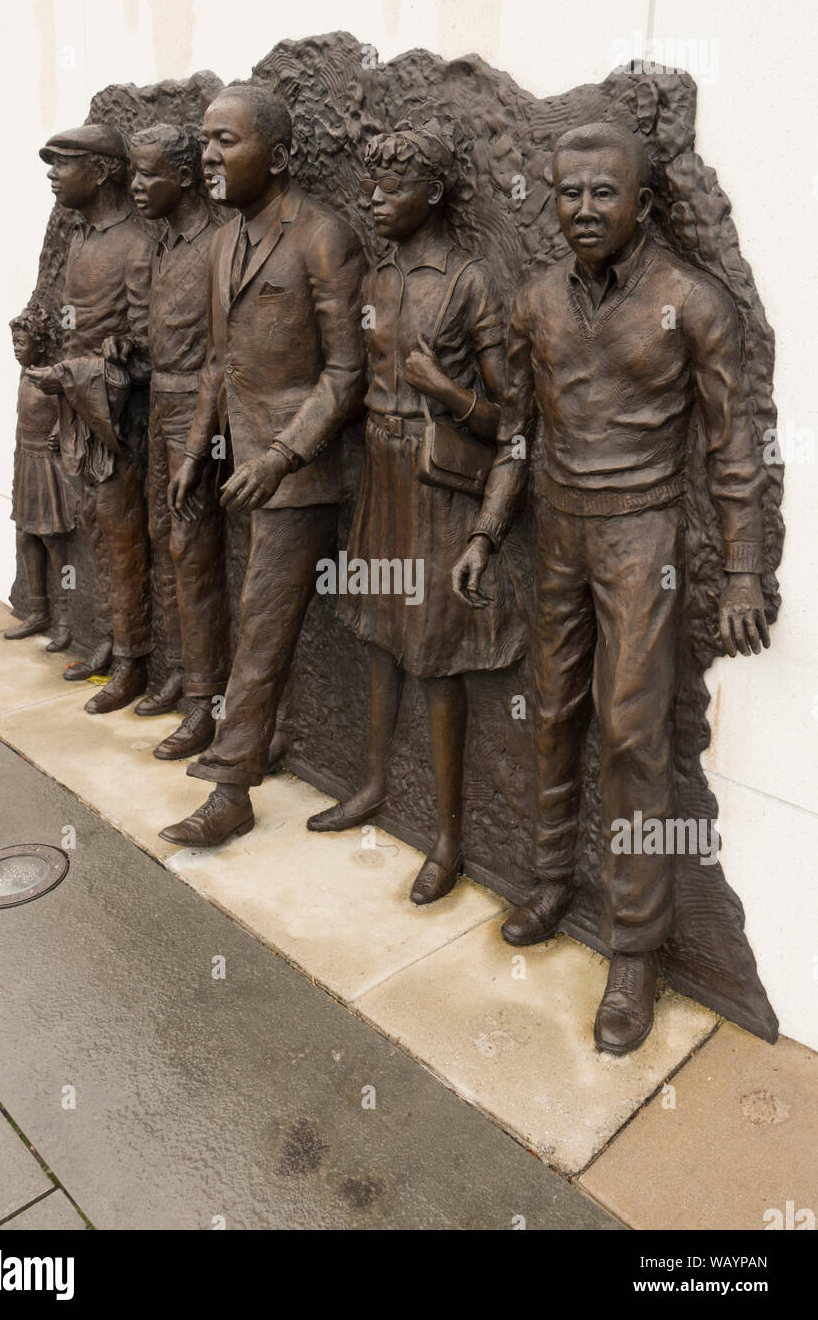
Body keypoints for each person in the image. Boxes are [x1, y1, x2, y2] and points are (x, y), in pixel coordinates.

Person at [453, 122, 769, 1053]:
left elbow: (735, 451)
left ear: (639, 201)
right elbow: (517, 432)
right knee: (551, 709)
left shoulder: (691, 301)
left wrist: (744, 568)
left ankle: (634, 949)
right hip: (556, 527)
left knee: (631, 732)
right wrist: (484, 529)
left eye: (603, 193)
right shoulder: (535, 301)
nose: (584, 209)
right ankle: (552, 879)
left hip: (643, 536)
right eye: (569, 193)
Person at [307, 122, 524, 905]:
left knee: (433, 658)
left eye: (390, 188)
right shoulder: (376, 279)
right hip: (383, 478)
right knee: (377, 637)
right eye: (368, 187)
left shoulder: (467, 282)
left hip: (438, 486)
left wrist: (445, 392)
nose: (373, 200)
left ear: (431, 194)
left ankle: (447, 839)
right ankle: (369, 786)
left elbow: (512, 421)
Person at [158, 85, 366, 846]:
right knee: (252, 613)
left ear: (276, 157)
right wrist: (195, 454)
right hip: (236, 460)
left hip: (297, 471)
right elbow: (218, 363)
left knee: (262, 628)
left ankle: (232, 787)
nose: (207, 156)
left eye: (225, 141)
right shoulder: (222, 243)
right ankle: (259, 738)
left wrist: (280, 458)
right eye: (203, 140)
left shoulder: (322, 237)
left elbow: (346, 373)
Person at [29, 124, 153, 713]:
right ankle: (107, 637)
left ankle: (133, 659)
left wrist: (79, 374)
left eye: (64, 162)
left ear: (102, 171)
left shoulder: (136, 242)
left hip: (117, 421)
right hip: (78, 411)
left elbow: (146, 346)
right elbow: (76, 323)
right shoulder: (80, 238)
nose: (53, 173)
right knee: (98, 536)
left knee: (124, 538)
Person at [129, 124, 227, 758]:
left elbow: (221, 356)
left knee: (194, 554)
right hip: (158, 402)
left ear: (185, 178)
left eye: (148, 175)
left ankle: (205, 703)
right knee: (164, 542)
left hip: (198, 413)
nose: (135, 186)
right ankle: (174, 670)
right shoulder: (162, 243)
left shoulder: (218, 245)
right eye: (132, 173)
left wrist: (196, 445)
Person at [4, 304, 74, 651]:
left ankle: (63, 618)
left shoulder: (52, 377)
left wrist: (61, 429)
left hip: (48, 465)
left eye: (22, 342)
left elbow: (74, 406)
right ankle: (37, 610)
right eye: (14, 342)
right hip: (26, 462)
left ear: (40, 344)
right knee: (25, 536)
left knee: (52, 540)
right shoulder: (24, 374)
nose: (16, 347)